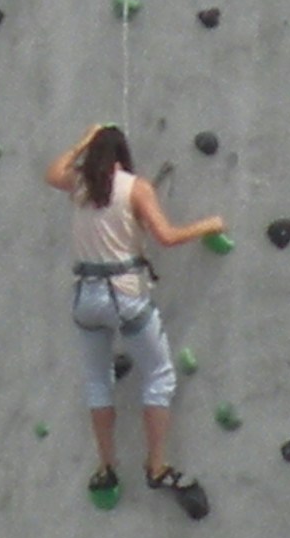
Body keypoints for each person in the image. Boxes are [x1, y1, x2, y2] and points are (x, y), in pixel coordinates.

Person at [43, 122, 226, 518]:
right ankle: (156, 466)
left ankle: (107, 467)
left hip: (86, 296)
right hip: (125, 294)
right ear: (123, 155)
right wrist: (208, 225)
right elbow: (167, 236)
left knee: (97, 382)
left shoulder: (79, 184)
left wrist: (82, 139)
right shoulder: (136, 187)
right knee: (159, 376)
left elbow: (51, 171)